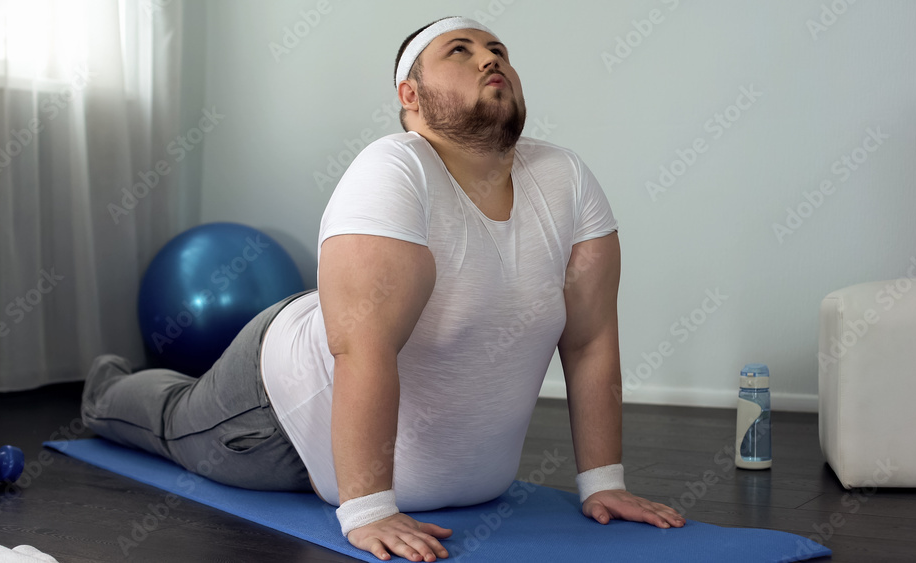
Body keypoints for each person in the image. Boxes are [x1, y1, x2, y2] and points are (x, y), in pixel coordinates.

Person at [81, 15, 686, 563]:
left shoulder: (565, 178)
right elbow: (361, 345)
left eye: (498, 50)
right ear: (410, 95)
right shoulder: (394, 168)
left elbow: (589, 340)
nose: (489, 58)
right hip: (278, 418)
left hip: (411, 430)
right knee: (172, 419)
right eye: (460, 50)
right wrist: (368, 509)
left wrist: (604, 482)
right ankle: (103, 386)